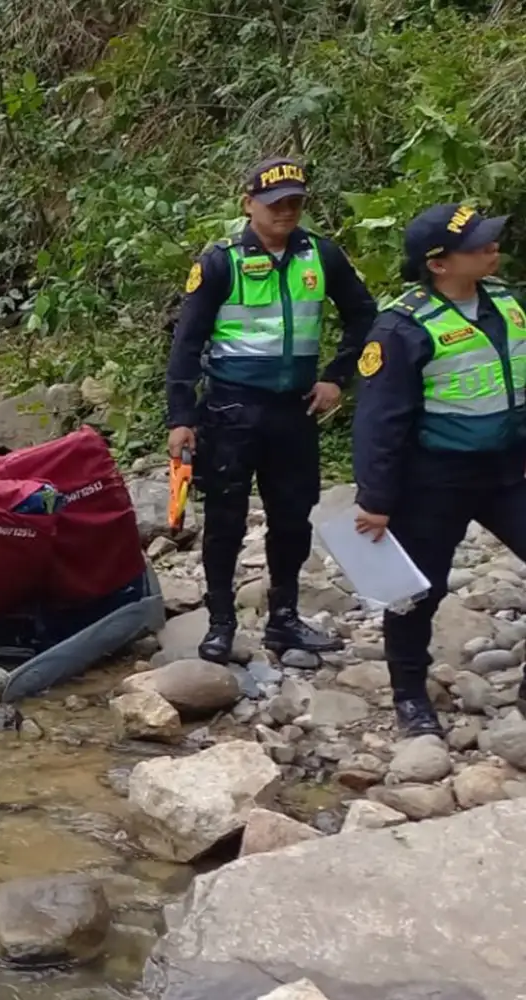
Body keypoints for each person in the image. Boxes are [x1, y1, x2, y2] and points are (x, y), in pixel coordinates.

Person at [167, 157, 379, 663]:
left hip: (295, 412)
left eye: (294, 203)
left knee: (291, 518)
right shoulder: (221, 261)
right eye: (275, 203)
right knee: (225, 520)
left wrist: (336, 377)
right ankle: (220, 624)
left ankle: (284, 619)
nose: (286, 212)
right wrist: (180, 417)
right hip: (230, 411)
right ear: (249, 205)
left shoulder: (320, 255)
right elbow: (187, 341)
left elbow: (364, 314)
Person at [351, 202, 526, 736]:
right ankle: (410, 697)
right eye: (477, 245)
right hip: (433, 479)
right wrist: (375, 501)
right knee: (417, 591)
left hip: (506, 471)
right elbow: (379, 421)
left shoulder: (508, 303)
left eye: (491, 240)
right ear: (439, 264)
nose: (492, 248)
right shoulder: (403, 327)